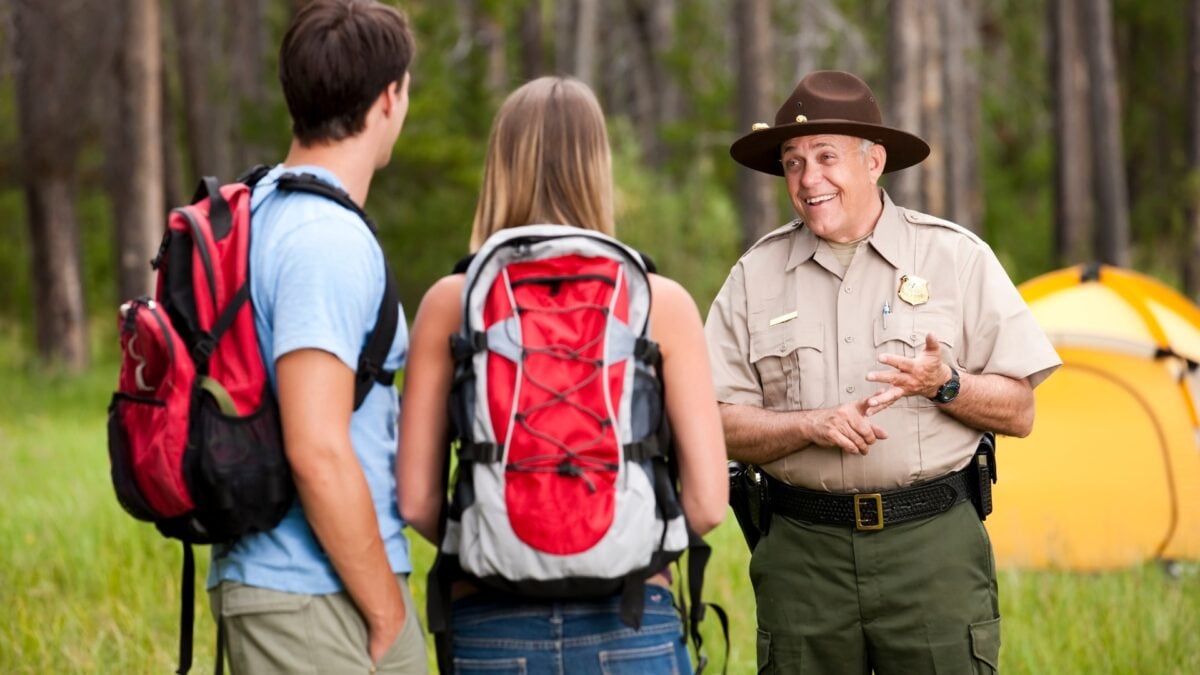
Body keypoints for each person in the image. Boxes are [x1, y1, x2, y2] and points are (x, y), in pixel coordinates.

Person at [705, 70, 1061, 674]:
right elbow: (712, 423)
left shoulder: (955, 258)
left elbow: (1020, 411)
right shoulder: (754, 276)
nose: (808, 178)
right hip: (802, 555)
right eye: (793, 162)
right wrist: (810, 426)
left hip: (932, 550)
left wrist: (943, 383)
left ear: (874, 161)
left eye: (825, 157)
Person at [398, 76, 728, 674]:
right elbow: (706, 504)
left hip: (489, 619)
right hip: (631, 619)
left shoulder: (454, 300)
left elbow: (417, 500)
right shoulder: (661, 302)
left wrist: (500, 544)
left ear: (499, 166)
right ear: (598, 168)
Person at [206, 1, 427, 672]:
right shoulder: (323, 240)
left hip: (293, 587)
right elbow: (316, 447)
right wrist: (387, 612)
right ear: (390, 96)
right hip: (315, 593)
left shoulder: (262, 207)